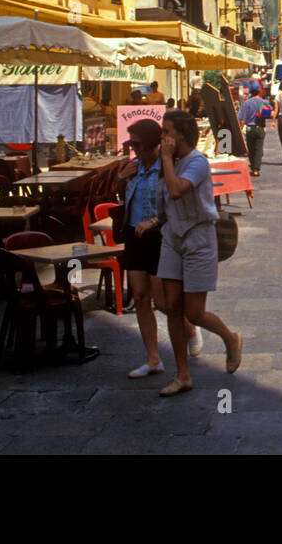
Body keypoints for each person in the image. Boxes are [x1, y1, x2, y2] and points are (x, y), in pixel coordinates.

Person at [156, 110, 242, 396]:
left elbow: (178, 190)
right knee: (171, 307)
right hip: (172, 237)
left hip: (198, 238)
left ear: (180, 133)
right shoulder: (170, 162)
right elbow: (163, 199)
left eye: (166, 131)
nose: (163, 137)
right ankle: (182, 374)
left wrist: (166, 159)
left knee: (193, 312)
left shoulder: (196, 163)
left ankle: (230, 338)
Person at [115, 120, 198, 379]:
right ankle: (153, 358)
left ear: (152, 144)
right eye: (131, 144)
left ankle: (190, 329)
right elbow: (123, 197)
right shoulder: (133, 167)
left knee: (163, 301)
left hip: (159, 236)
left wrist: (154, 221)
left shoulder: (165, 168)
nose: (134, 149)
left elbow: (178, 204)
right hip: (134, 234)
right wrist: (120, 179)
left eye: (137, 144)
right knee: (140, 297)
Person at [238, 85, 272, 176]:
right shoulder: (264, 102)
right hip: (260, 127)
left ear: (250, 92)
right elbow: (270, 113)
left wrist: (241, 128)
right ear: (259, 91)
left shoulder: (246, 103)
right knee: (259, 148)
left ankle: (253, 166)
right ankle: (256, 169)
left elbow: (242, 118)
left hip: (249, 128)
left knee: (251, 148)